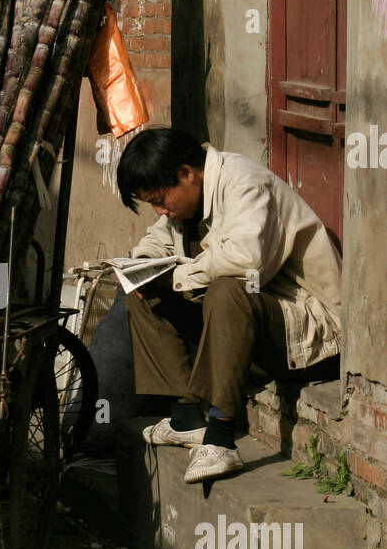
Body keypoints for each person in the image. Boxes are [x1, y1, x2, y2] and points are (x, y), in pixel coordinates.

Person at [116, 128, 342, 483]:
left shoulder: (245, 184)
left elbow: (247, 263)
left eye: (160, 199)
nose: (161, 211)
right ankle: (189, 416)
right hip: (250, 329)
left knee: (226, 290)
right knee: (143, 293)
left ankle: (221, 437)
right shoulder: (187, 201)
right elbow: (155, 241)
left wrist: (176, 277)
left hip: (307, 331)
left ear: (187, 173)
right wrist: (141, 266)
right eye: (152, 204)